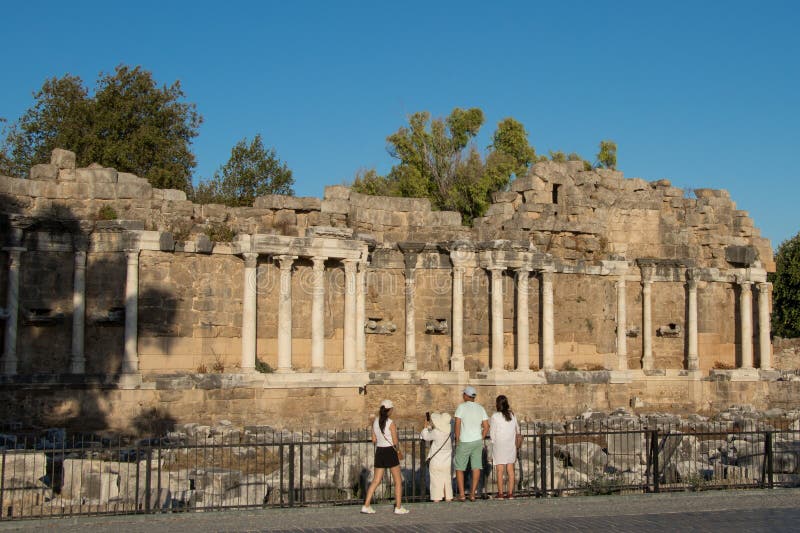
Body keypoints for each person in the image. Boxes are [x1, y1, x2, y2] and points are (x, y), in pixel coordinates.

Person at [361, 399, 409, 514]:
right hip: (390, 451)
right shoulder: (391, 423)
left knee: (376, 480)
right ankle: (398, 507)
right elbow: (395, 441)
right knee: (398, 481)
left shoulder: (375, 422)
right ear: (390, 410)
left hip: (380, 451)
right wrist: (398, 452)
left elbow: (374, 439)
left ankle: (366, 505)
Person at [454, 385, 489, 501]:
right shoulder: (480, 408)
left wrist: (457, 439)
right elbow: (486, 426)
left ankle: (462, 495)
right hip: (477, 441)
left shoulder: (461, 407)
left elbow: (457, 424)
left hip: (464, 441)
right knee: (476, 467)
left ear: (466, 395)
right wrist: (481, 437)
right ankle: (473, 494)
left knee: (460, 468)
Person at [489, 394, 521, 499]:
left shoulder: (495, 416)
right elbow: (518, 430)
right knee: (510, 470)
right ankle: (510, 493)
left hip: (499, 445)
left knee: (500, 470)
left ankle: (501, 493)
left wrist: (492, 443)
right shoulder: (512, 415)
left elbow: (492, 433)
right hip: (510, 445)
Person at [420, 412, 453, 502]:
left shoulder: (436, 433)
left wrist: (425, 427)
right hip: (446, 463)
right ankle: (448, 499)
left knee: (436, 483)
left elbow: (426, 436)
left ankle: (437, 500)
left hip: (436, 462)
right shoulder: (449, 435)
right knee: (447, 482)